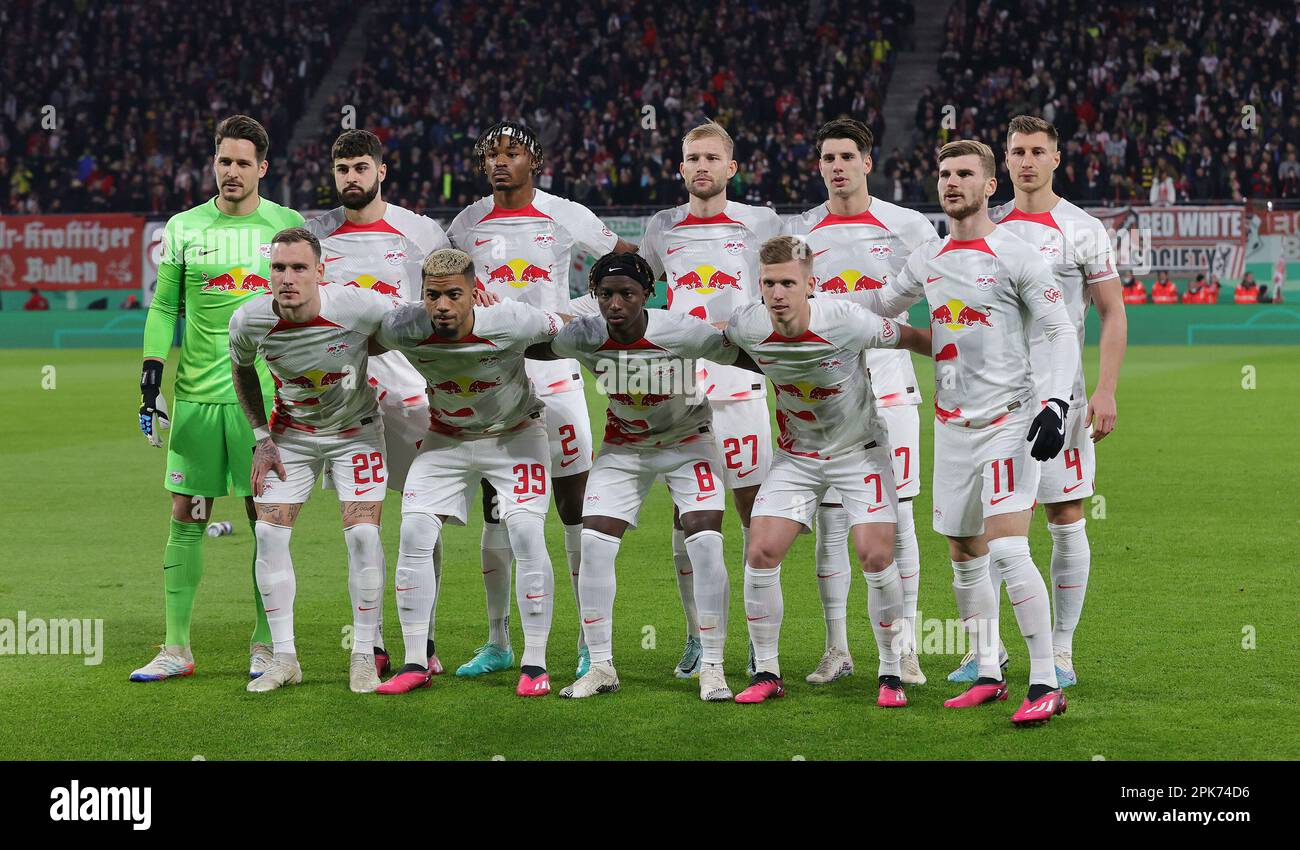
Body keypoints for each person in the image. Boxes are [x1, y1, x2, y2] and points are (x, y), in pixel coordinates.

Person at [847, 140, 1080, 725]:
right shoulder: (928, 257)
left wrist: (1053, 403)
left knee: (1006, 544)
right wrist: (814, 302)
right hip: (952, 424)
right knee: (963, 549)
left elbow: (1057, 330)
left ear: (990, 185)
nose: (951, 182)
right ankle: (987, 671)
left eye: (965, 173)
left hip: (1010, 418)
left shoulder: (1018, 254)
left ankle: (1046, 680)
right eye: (944, 173)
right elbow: (882, 304)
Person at [446, 121, 637, 679]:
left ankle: (586, 643)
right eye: (491, 154)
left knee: (573, 507)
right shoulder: (466, 223)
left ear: (537, 161)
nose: (500, 162)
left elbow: (626, 265)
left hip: (554, 375)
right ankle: (499, 641)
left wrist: (577, 310)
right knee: (498, 511)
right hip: (493, 380)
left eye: (512, 153)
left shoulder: (566, 213)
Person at [723, 235, 932, 707]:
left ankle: (891, 672)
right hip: (798, 459)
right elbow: (712, 341)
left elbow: (916, 338)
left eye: (788, 284)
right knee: (760, 551)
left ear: (810, 284)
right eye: (768, 283)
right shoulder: (748, 324)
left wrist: (973, 366)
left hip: (861, 453)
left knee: (875, 556)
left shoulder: (847, 320)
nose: (777, 294)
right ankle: (767, 671)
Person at [131, 115, 304, 683]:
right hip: (198, 403)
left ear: (263, 167)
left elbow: (303, 309)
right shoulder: (183, 227)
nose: (232, 172)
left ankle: (265, 643)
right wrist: (152, 377)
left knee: (266, 523)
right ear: (215, 164)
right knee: (188, 514)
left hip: (264, 406)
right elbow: (164, 308)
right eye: (223, 161)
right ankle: (176, 648)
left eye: (242, 162)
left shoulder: (286, 225)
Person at [543, 253, 753, 702]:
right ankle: (601, 665)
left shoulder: (680, 331)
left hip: (688, 443)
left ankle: (713, 667)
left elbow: (740, 353)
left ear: (647, 295)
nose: (615, 304)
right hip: (624, 449)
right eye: (605, 295)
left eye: (627, 294)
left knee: (706, 538)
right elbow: (533, 345)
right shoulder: (583, 334)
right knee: (593, 542)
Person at [784, 116, 939, 687]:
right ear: (818, 165)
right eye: (828, 158)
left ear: (868, 162)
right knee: (830, 523)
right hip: (823, 395)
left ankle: (907, 651)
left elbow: (944, 288)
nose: (838, 166)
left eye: (847, 156)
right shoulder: (801, 234)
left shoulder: (909, 226)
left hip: (891, 386)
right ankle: (836, 648)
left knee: (898, 520)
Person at [370, 248, 566, 696]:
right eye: (433, 295)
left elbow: (567, 331)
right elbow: (360, 339)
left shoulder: (512, 320)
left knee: (526, 532)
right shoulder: (404, 325)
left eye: (454, 295)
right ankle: (416, 661)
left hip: (516, 435)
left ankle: (534, 664)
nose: (442, 306)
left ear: (475, 294)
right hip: (447, 437)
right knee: (414, 530)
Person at [636, 121, 781, 680]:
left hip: (740, 385)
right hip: (679, 390)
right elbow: (636, 288)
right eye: (691, 157)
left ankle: (753, 640)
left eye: (711, 158)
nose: (701, 166)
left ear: (731, 168)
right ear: (681, 168)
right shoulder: (661, 227)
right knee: (687, 517)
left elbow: (786, 283)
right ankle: (699, 636)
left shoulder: (760, 223)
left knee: (752, 517)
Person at [305, 129, 452, 677]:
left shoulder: (419, 231)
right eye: (342, 168)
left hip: (413, 392)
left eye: (361, 167)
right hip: (345, 398)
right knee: (362, 523)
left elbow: (449, 295)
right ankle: (373, 641)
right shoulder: (315, 235)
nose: (351, 177)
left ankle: (426, 638)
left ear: (381, 171)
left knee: (423, 519)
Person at [228, 227, 397, 693]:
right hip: (293, 436)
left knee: (363, 533)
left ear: (320, 272)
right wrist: (261, 436)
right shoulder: (249, 320)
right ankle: (285, 658)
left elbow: (412, 326)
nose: (287, 277)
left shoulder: (356, 305)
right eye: (279, 267)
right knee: (267, 532)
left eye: (299, 267)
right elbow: (241, 368)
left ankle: (364, 655)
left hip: (356, 432)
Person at [990, 115, 1128, 689]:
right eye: (1017, 151)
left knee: (1066, 517)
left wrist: (1105, 388)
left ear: (1056, 158)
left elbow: (1112, 311)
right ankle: (987, 650)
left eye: (1037, 151)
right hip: (993, 400)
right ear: (1005, 160)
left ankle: (1062, 651)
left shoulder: (1083, 229)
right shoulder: (985, 227)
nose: (1026, 161)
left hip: (1062, 399)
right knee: (988, 527)